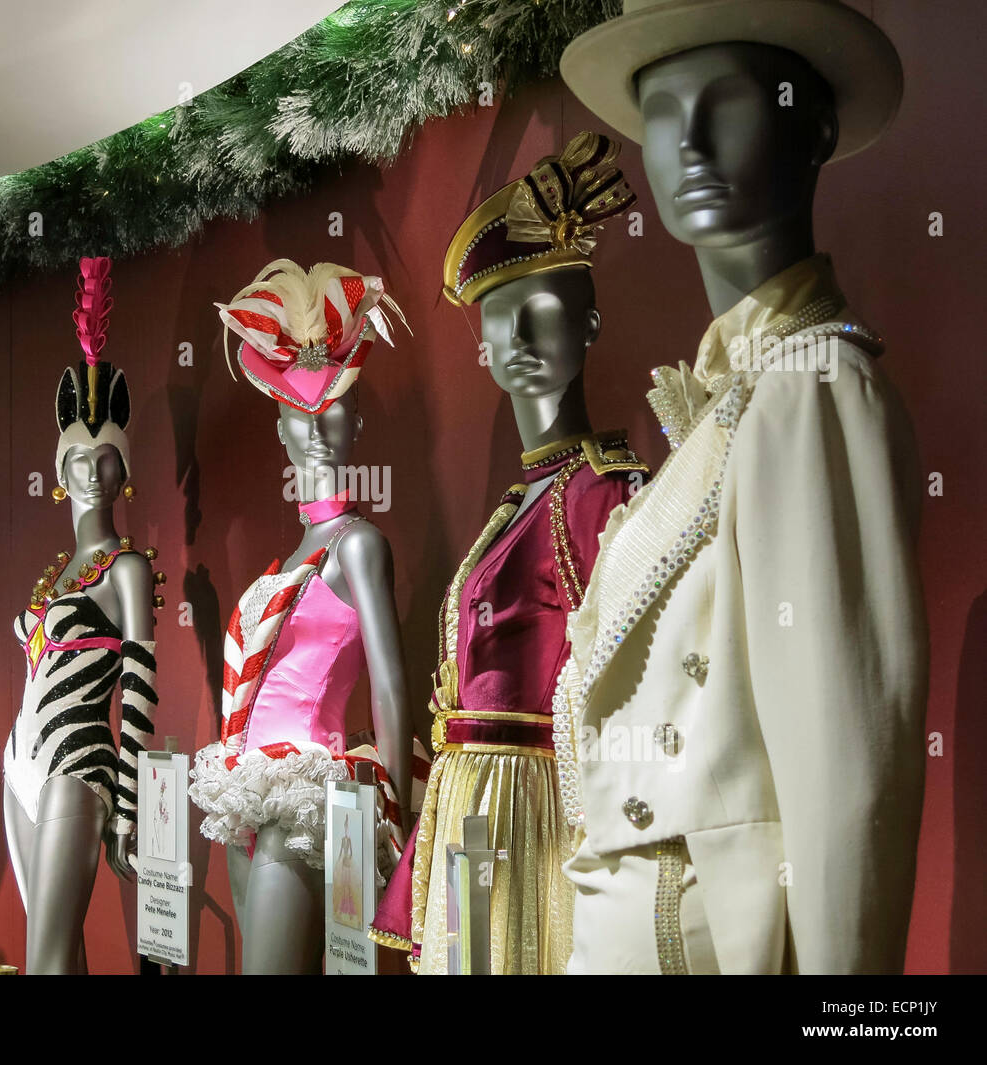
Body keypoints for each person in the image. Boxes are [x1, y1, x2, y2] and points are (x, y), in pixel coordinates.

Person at [556, 0, 927, 973]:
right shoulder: (739, 398)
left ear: (811, 129)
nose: (687, 143)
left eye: (726, 103)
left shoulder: (812, 389)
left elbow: (848, 770)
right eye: (661, 112)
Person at [370, 134, 645, 974]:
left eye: (545, 308)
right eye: (500, 315)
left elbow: (624, 700)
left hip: (534, 818)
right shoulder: (521, 501)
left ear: (591, 320)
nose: (519, 335)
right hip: (474, 809)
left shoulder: (603, 496)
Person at [190, 259, 419, 974]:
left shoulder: (359, 545)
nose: (319, 428)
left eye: (336, 407)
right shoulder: (288, 557)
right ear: (281, 426)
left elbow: (391, 685)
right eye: (301, 410)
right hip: (247, 789)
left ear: (356, 422)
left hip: (305, 797)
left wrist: (401, 816)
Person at [2, 256, 160, 974]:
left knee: (44, 961)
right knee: (59, 956)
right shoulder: (55, 574)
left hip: (77, 763)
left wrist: (128, 809)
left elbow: (141, 697)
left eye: (107, 461)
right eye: (78, 461)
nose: (93, 475)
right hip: (20, 762)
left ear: (124, 471)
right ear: (59, 473)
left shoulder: (128, 568)